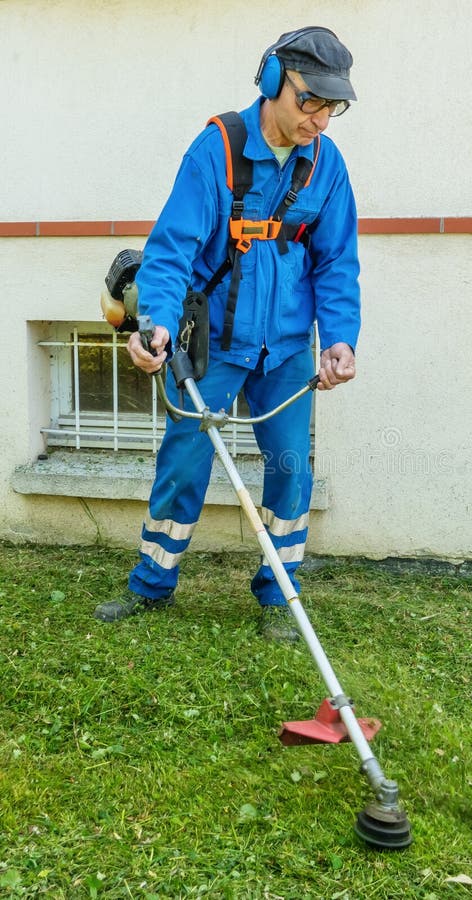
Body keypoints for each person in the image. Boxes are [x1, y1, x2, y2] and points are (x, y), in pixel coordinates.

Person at [93, 27, 360, 641]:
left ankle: (279, 596)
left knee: (291, 467)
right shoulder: (215, 149)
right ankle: (152, 582)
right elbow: (170, 253)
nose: (319, 119)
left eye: (332, 106)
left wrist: (340, 337)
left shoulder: (328, 165)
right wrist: (156, 326)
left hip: (289, 347)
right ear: (272, 82)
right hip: (214, 345)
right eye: (308, 100)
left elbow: (336, 260)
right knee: (184, 461)